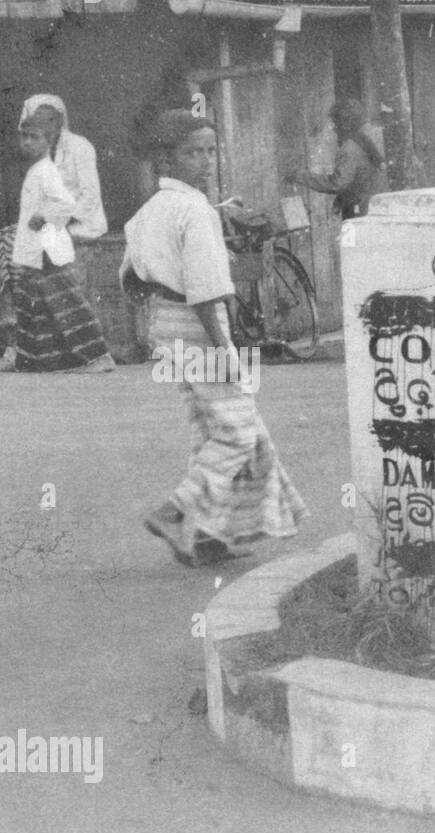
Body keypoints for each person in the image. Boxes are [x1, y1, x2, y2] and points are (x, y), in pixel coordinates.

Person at [121, 111, 306, 566]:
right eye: (193, 152)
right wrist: (224, 349)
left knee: (212, 429)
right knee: (239, 432)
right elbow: (206, 290)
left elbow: (129, 277)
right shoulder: (194, 210)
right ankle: (176, 510)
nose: (205, 161)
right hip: (199, 325)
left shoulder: (149, 211)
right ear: (169, 157)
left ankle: (212, 533)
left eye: (210, 150)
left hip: (165, 324)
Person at [1, 111, 115, 373]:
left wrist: (43, 216)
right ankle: (40, 359)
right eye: (24, 137)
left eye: (35, 137)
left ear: (48, 142)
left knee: (66, 302)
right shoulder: (36, 171)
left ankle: (98, 357)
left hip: (47, 251)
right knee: (37, 304)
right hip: (34, 250)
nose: (27, 142)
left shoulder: (46, 172)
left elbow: (65, 202)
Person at [287, 99, 388, 219]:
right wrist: (342, 197)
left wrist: (300, 176)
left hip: (359, 212)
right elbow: (360, 177)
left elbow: (337, 184)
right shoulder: (365, 141)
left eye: (336, 123)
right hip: (375, 207)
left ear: (344, 124)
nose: (334, 129)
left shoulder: (349, 149)